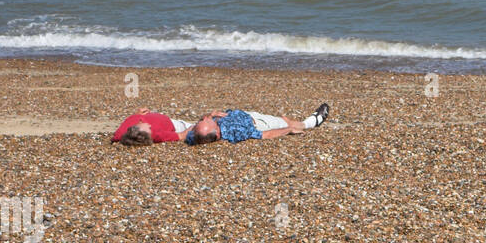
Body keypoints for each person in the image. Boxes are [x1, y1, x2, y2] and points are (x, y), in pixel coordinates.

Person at [186, 103, 330, 144]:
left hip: (248, 115)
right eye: (209, 121)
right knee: (286, 121)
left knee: (284, 119)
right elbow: (263, 134)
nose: (205, 119)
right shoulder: (237, 131)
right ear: (217, 134)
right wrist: (287, 130)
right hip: (260, 123)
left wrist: (210, 115)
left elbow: (201, 124)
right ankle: (311, 122)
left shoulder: (200, 132)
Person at [111, 108, 194, 145]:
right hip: (175, 124)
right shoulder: (157, 134)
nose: (149, 125)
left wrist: (137, 114)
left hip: (155, 115)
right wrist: (192, 128)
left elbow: (115, 138)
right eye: (150, 128)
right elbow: (181, 135)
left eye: (141, 123)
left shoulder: (121, 133)